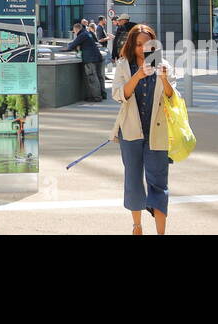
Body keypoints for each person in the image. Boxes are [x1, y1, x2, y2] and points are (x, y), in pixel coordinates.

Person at [110, 23, 177, 235]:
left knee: (158, 183)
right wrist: (137, 76)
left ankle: (160, 232)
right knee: (133, 179)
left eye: (147, 45)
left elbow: (172, 98)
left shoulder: (163, 64)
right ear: (132, 44)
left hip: (157, 132)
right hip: (130, 132)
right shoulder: (123, 66)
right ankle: (137, 226)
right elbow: (118, 95)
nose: (142, 49)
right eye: (138, 45)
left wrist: (164, 79)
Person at [66, 21, 106, 102]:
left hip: (90, 59)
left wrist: (66, 47)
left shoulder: (82, 35)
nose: (74, 33)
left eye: (74, 31)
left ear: (77, 29)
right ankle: (103, 94)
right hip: (98, 57)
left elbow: (72, 45)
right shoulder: (88, 33)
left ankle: (97, 97)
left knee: (92, 78)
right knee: (99, 77)